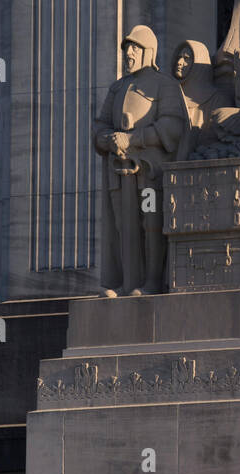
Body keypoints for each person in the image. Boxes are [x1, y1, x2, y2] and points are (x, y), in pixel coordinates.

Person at [94, 26, 186, 296]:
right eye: (126, 48)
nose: (128, 52)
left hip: (149, 172)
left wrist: (133, 139)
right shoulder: (118, 86)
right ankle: (129, 283)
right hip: (120, 174)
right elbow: (99, 125)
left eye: (134, 47)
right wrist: (108, 139)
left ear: (148, 51)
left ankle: (153, 283)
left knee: (151, 223)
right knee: (124, 227)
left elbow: (172, 127)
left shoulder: (165, 84)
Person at [170, 39, 231, 160]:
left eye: (186, 58)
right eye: (178, 57)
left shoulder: (218, 100)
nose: (179, 62)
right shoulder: (170, 96)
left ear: (198, 62)